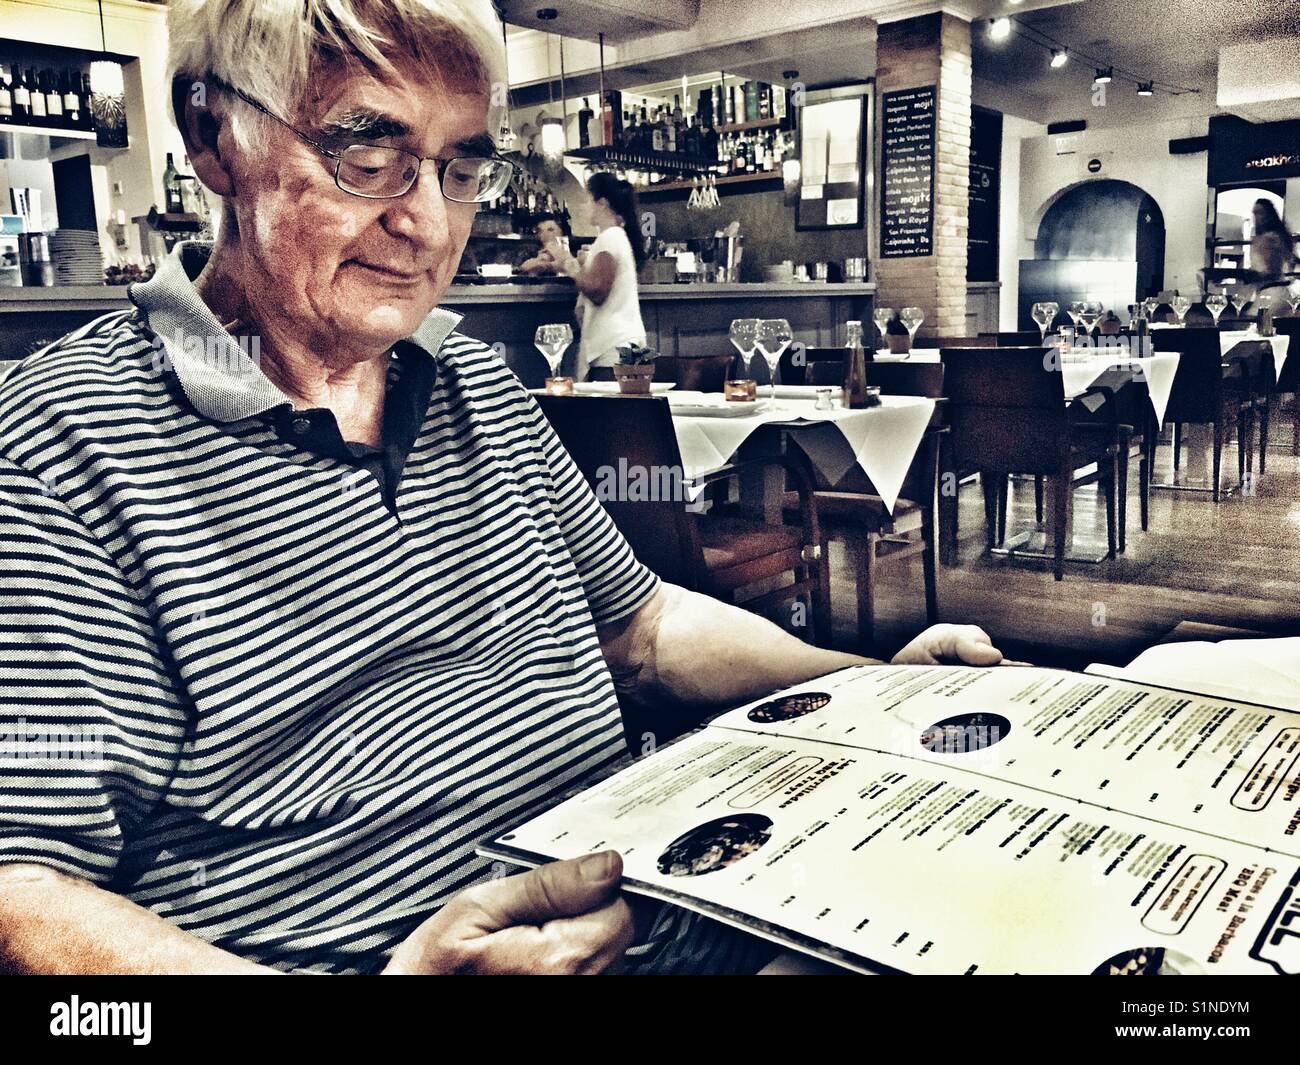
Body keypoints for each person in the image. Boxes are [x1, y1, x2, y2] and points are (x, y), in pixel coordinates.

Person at [0, 0, 1003, 976]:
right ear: (213, 138)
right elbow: (25, 889)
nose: (430, 225)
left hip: (693, 913)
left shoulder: (471, 379)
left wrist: (873, 688)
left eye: (461, 167)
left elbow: (643, 633)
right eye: (366, 151)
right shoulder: (59, 445)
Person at [547, 172, 648, 381]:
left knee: (610, 413)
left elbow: (597, 290)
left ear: (601, 203)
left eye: (586, 199)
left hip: (613, 349)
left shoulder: (610, 237)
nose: (583, 206)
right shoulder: (616, 236)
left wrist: (568, 262)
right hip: (624, 347)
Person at [1246, 198, 1296, 315]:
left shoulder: (1270, 238)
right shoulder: (1276, 236)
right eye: (1254, 213)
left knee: (1251, 324)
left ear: (1269, 215)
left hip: (1271, 293)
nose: (1256, 217)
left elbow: (1272, 271)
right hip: (1275, 292)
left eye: (1260, 212)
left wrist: (1250, 275)